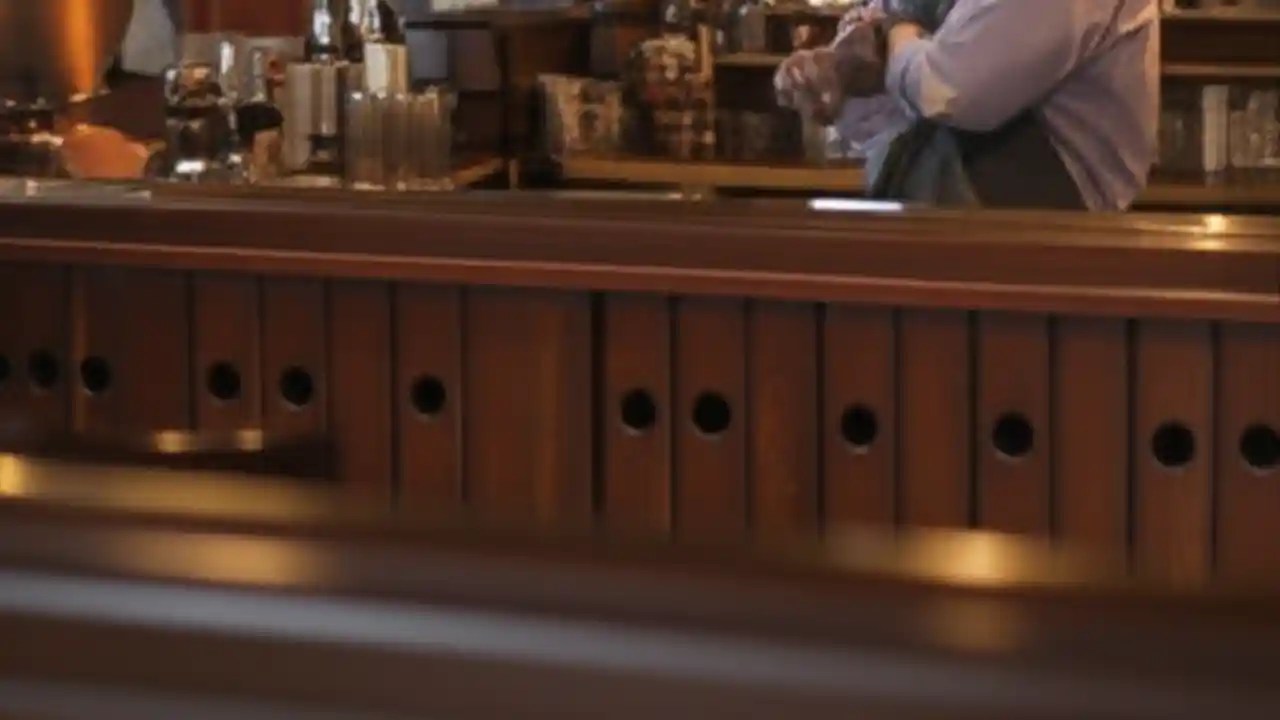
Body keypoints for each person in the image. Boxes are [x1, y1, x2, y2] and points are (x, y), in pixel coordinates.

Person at [778, 0, 1159, 211]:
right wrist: (832, 73)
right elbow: (886, 81)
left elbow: (952, 91)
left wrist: (891, 37)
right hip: (935, 224)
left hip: (1035, 247)